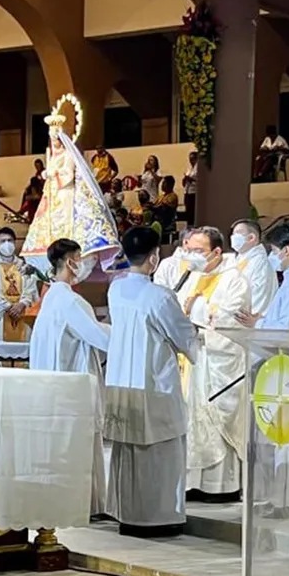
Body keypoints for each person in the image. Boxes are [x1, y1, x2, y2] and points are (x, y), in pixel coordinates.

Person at [104, 227, 199, 537]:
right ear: (154, 258)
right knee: (161, 451)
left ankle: (129, 514)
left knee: (129, 451)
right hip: (154, 383)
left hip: (123, 383)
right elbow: (184, 336)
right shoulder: (159, 295)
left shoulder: (116, 289)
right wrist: (200, 341)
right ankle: (158, 517)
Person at [235, 222, 289, 516]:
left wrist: (260, 325)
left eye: (273, 250)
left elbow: (288, 328)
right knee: (279, 434)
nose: (272, 256)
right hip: (281, 362)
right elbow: (279, 319)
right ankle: (280, 498)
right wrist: (259, 321)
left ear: (286, 250)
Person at [29, 238, 112, 517]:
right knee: (76, 444)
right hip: (72, 387)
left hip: (53, 385)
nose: (87, 264)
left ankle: (65, 500)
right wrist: (127, 331)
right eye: (82, 257)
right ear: (70, 262)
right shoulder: (70, 301)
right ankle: (85, 503)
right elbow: (99, 337)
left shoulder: (51, 297)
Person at [179, 226, 251, 501]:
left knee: (216, 416)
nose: (192, 256)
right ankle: (193, 483)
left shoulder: (235, 279)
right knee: (193, 419)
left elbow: (232, 318)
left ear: (217, 251)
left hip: (219, 358)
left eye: (199, 251)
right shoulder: (192, 276)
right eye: (190, 250)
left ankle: (221, 486)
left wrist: (199, 317)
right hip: (194, 358)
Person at [22, 110, 122, 274]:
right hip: (53, 194)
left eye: (56, 136)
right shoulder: (53, 156)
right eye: (51, 137)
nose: (53, 140)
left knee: (64, 222)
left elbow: (68, 176)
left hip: (65, 193)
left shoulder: (68, 155)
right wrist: (47, 174)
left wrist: (52, 174)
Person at [0, 227, 40, 341]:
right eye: (3, 241)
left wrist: (22, 303)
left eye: (10, 240)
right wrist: (9, 306)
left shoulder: (23, 265)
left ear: (15, 243)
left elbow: (31, 289)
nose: (7, 244)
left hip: (22, 314)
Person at [228, 218, 278, 320]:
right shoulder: (240, 259)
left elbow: (259, 296)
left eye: (238, 233)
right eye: (233, 234)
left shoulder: (261, 263)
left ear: (251, 238)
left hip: (249, 322)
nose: (233, 237)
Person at [182, 151, 199, 224]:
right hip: (187, 191)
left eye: (192, 159)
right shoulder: (189, 169)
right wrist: (185, 179)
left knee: (192, 211)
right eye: (190, 159)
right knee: (188, 211)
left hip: (193, 192)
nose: (191, 161)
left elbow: (199, 181)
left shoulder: (198, 168)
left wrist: (190, 179)